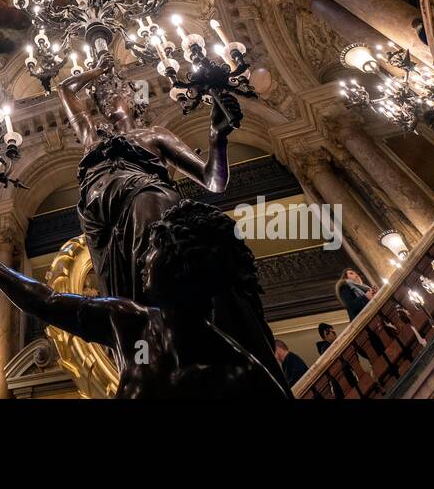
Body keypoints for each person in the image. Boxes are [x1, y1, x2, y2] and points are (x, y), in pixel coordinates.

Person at [54, 53, 284, 390]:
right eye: (102, 96)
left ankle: (183, 350)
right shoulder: (91, 135)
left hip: (148, 201)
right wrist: (99, 69)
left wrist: (216, 136)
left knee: (157, 281)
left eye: (116, 91)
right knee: (124, 302)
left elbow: (214, 180)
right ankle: (148, 364)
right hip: (104, 228)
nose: (107, 97)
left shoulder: (155, 135)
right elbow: (65, 88)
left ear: (133, 100)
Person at [0, 199, 288, 400]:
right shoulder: (131, 321)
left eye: (155, 249)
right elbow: (46, 301)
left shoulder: (240, 373)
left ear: (182, 264)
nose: (144, 259)